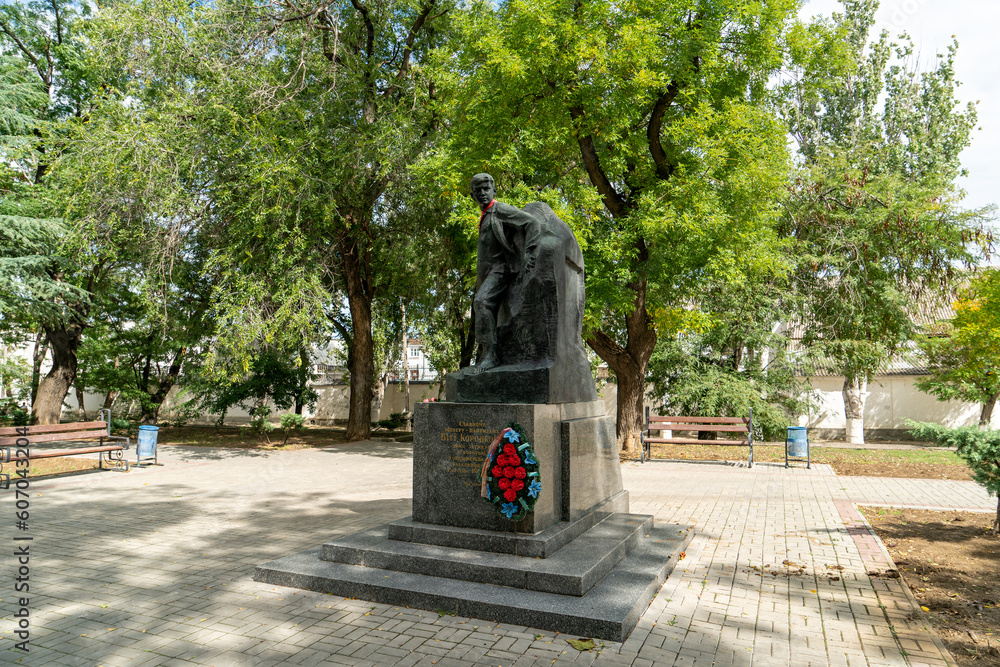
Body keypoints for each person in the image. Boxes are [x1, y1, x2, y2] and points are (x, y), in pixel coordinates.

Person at [470, 173, 541, 371]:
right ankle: (488, 353)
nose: (482, 193)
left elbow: (532, 223)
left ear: (494, 190)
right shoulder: (485, 216)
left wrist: (530, 252)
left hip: (500, 271)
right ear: (472, 196)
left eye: (486, 189)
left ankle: (491, 356)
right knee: (482, 306)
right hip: (486, 273)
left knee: (481, 302)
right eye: (478, 191)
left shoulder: (500, 210)